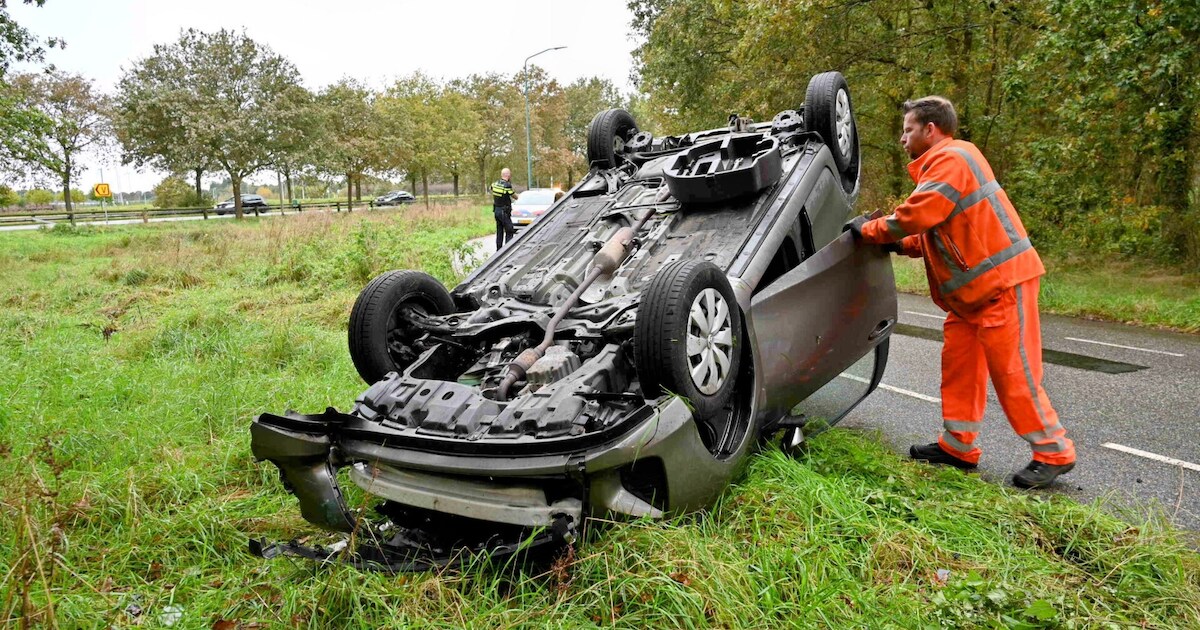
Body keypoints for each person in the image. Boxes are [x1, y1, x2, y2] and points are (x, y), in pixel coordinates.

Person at [843, 96, 1075, 489]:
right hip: (970, 299)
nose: (902, 138)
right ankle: (957, 447)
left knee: (1014, 374)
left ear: (930, 129)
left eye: (908, 130)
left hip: (1002, 286)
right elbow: (938, 233)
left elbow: (919, 215)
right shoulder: (942, 166)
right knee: (959, 370)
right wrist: (900, 243)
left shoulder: (952, 158)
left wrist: (870, 231)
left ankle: (1054, 452)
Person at [492, 168, 519, 249]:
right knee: (509, 230)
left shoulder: (495, 184)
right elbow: (514, 196)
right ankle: (507, 250)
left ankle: (499, 250)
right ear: (508, 175)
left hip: (496, 211)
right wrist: (519, 196)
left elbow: (492, 189)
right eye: (509, 174)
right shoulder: (507, 185)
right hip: (504, 211)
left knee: (499, 231)